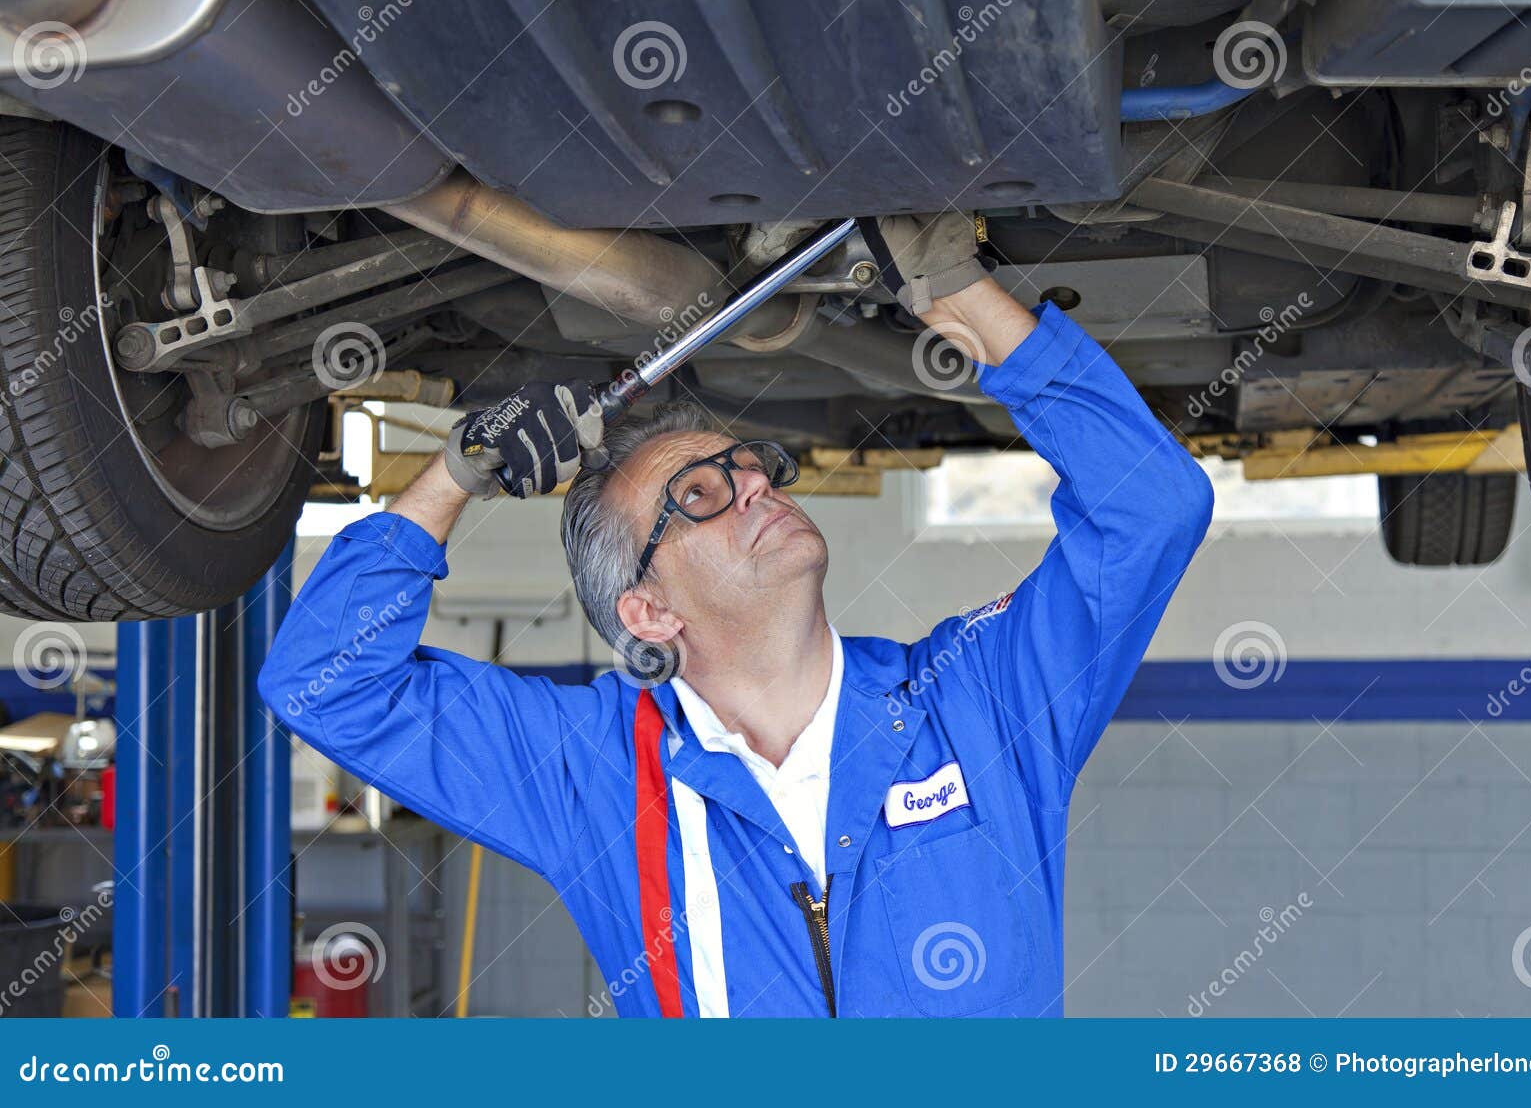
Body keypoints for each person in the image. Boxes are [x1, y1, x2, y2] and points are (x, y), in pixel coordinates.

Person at [258, 212, 1214, 1017]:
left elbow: (1150, 505)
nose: (754, 483)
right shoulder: (594, 773)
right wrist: (454, 475)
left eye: (751, 467)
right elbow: (323, 685)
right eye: (701, 494)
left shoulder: (978, 701)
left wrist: (955, 292)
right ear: (648, 610)